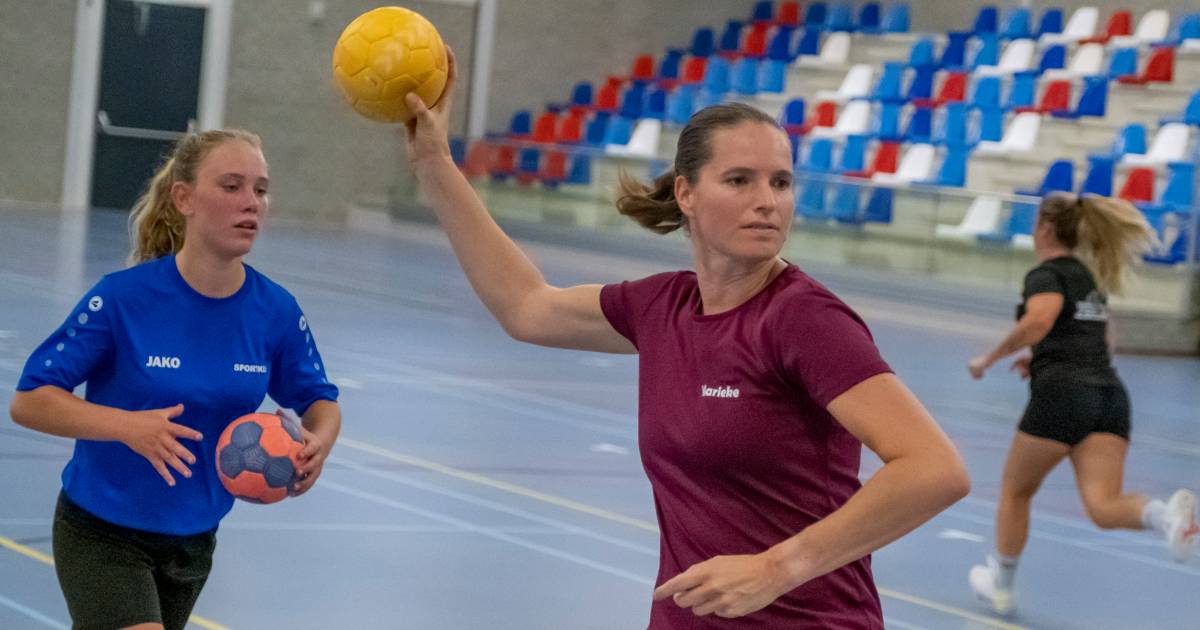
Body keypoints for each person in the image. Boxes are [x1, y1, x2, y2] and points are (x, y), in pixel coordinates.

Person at [403, 50, 969, 628]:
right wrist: (434, 162)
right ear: (686, 194)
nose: (767, 201)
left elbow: (934, 468)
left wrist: (777, 568)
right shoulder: (661, 307)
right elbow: (526, 307)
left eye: (781, 182)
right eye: (739, 180)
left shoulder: (804, 319)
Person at [8, 129, 341, 630]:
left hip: (194, 539)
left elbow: (320, 401)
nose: (251, 203)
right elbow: (31, 400)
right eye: (231, 187)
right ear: (183, 198)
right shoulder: (122, 300)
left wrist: (320, 443)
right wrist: (127, 427)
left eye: (260, 189)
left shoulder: (275, 312)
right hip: (102, 532)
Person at [966, 193, 1198, 615]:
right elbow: (1105, 342)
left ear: (1046, 229)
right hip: (1109, 398)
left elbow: (1039, 320)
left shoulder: (1047, 274)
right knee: (1103, 507)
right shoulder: (1090, 280)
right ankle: (1167, 518)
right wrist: (1039, 358)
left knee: (1016, 491)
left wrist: (989, 358)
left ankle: (1001, 585)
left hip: (1062, 398)